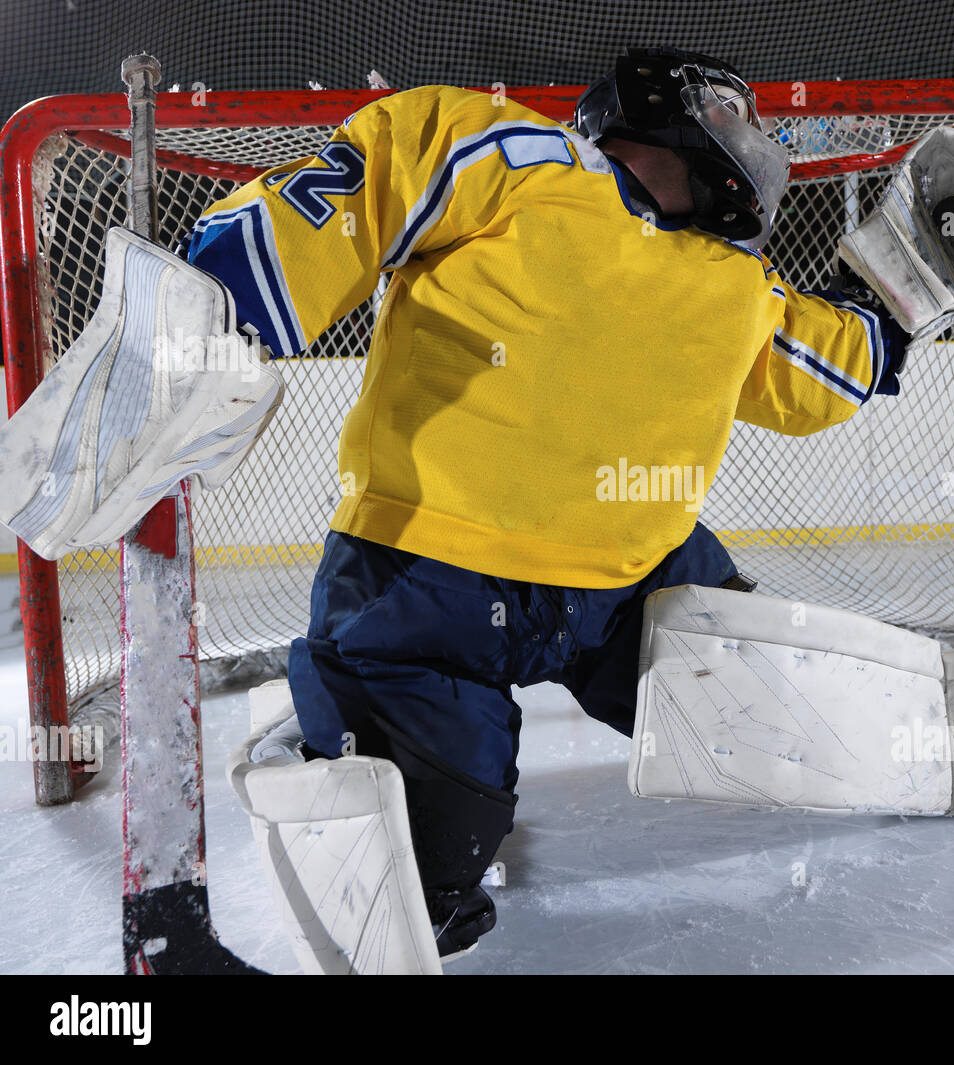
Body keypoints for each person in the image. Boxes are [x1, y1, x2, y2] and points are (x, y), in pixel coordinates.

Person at [184, 46, 910, 956]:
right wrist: (205, 315)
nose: (752, 135)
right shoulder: (529, 159)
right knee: (425, 877)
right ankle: (333, 715)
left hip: (630, 581)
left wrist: (900, 292)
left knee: (769, 707)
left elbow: (815, 375)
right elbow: (369, 185)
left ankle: (926, 740)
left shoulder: (736, 280)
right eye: (730, 109)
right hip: (429, 578)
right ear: (651, 106)